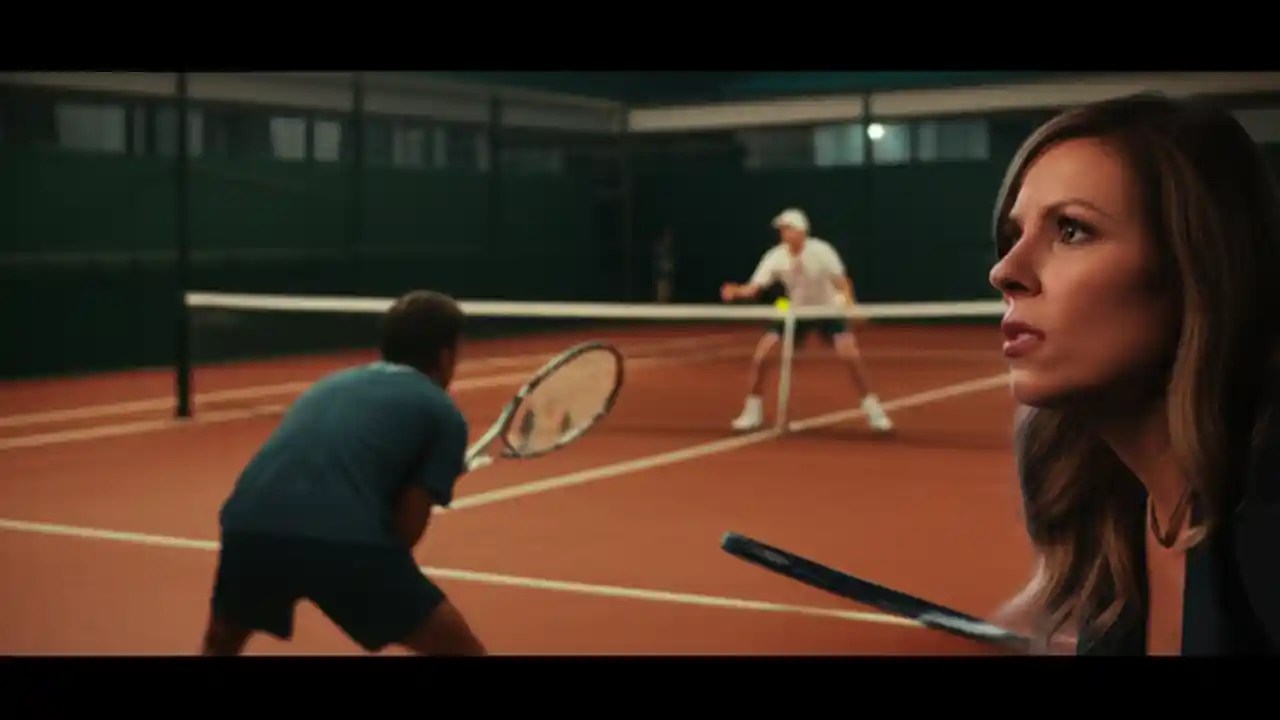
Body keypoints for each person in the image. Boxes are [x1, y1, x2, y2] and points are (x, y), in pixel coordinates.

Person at [987, 93, 1280, 655]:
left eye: (1071, 230)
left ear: (1195, 266)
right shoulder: (1118, 516)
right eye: (1013, 235)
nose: (1006, 271)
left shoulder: (1270, 512)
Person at [201, 289, 487, 656]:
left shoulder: (330, 384)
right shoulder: (443, 413)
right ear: (446, 356)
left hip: (247, 527)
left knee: (219, 645)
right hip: (343, 542)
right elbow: (404, 536)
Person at [720, 208, 893, 433]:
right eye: (781, 229)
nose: (783, 233)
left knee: (850, 354)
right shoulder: (775, 256)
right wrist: (737, 291)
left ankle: (874, 410)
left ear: (801, 231)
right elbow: (754, 288)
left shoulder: (822, 251)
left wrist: (850, 306)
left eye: (787, 228)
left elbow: (842, 282)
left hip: (827, 309)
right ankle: (752, 411)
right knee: (764, 353)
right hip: (794, 311)